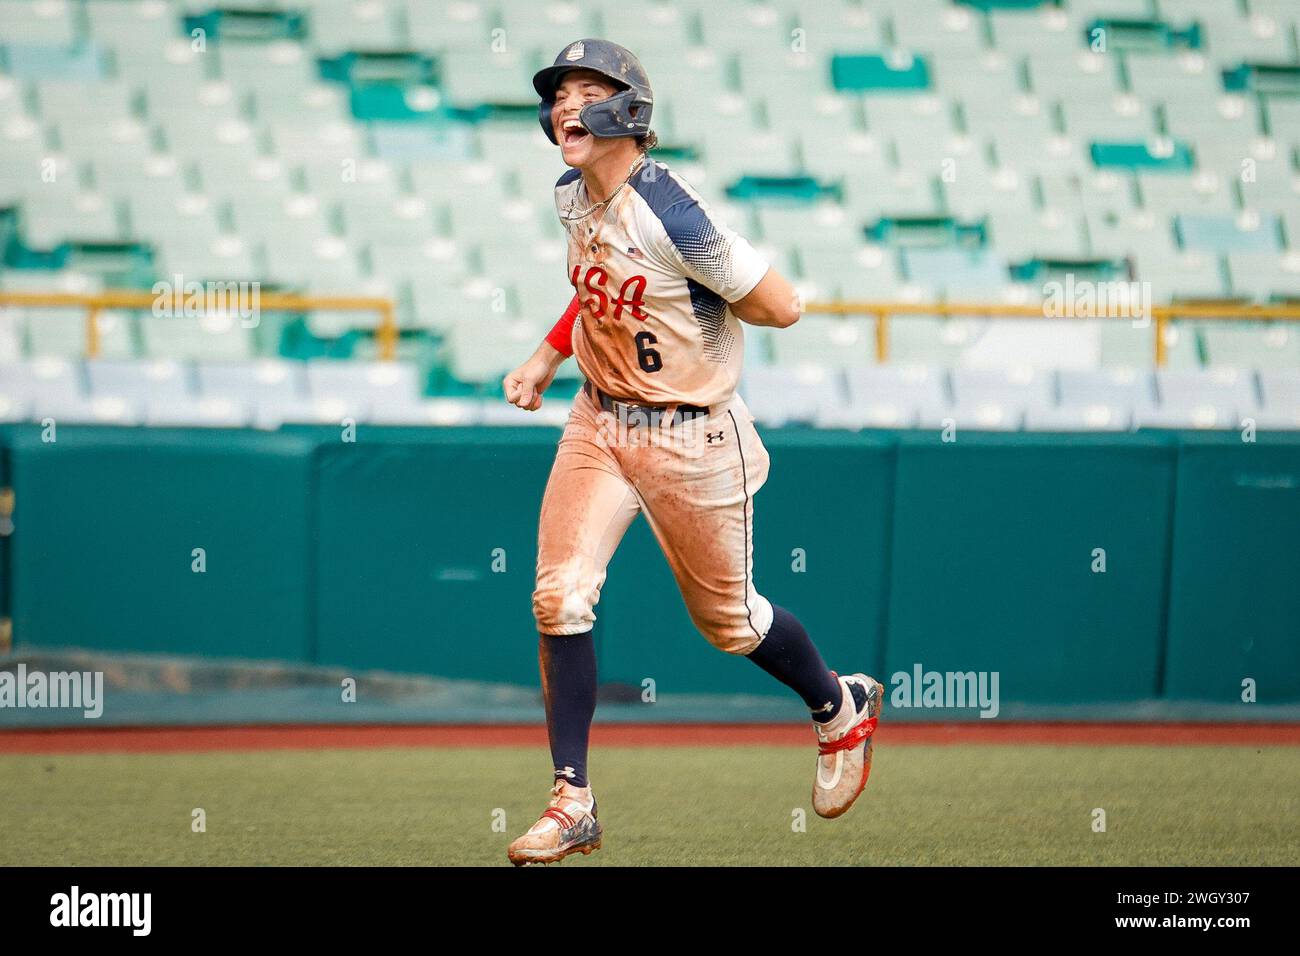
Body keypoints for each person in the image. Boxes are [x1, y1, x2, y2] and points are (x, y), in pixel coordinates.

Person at [501, 39, 882, 866]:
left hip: (691, 435)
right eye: (559, 92)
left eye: (586, 90)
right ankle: (572, 801)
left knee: (730, 623)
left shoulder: (674, 213)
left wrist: (709, 293)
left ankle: (837, 704)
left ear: (629, 110)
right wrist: (545, 355)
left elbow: (782, 306)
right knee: (559, 597)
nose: (567, 104)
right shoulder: (573, 197)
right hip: (599, 422)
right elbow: (597, 285)